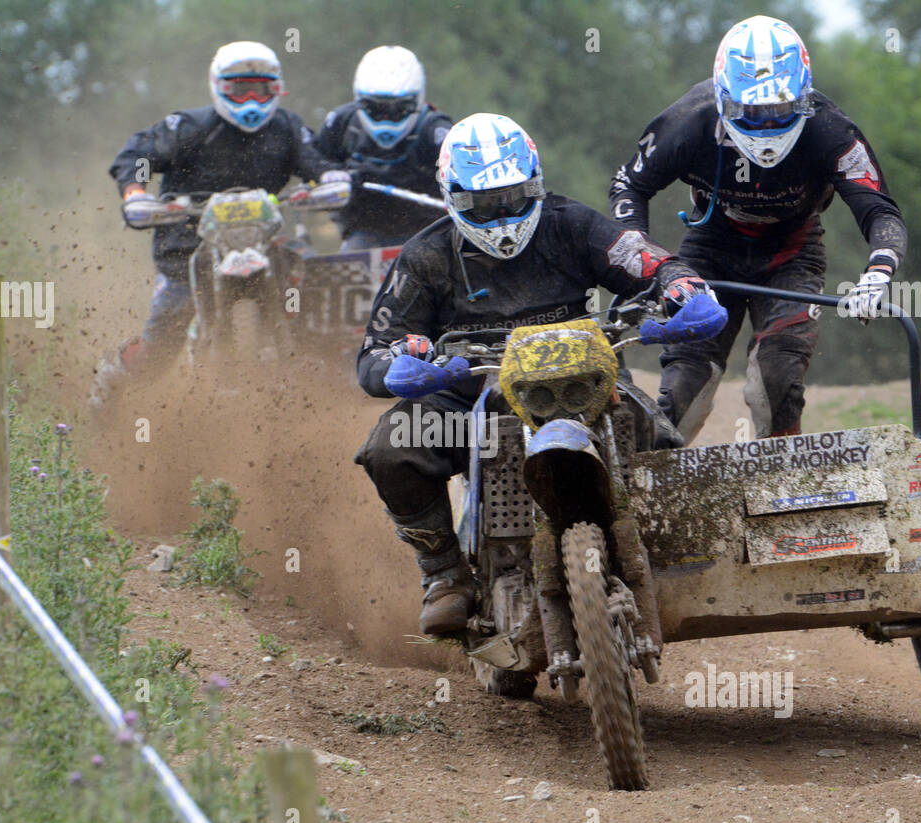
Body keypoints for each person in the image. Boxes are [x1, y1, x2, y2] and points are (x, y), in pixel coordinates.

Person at [355, 113, 719, 635]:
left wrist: (679, 284)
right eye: (483, 203)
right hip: (467, 399)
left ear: (536, 182)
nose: (501, 214)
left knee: (654, 432)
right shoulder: (425, 257)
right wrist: (401, 366)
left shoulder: (570, 224)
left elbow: (644, 260)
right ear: (451, 197)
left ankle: (661, 542)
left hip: (582, 383)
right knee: (392, 447)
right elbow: (372, 356)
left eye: (513, 196)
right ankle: (443, 573)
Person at [608, 14, 907, 442]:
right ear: (724, 97)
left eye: (781, 111)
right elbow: (628, 186)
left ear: (804, 97)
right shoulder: (689, 122)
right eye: (751, 112)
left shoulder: (830, 129)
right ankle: (644, 491)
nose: (767, 125)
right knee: (684, 392)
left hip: (792, 249)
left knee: (777, 380)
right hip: (711, 248)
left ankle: (788, 482)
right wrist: (646, 263)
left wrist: (879, 271)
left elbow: (880, 209)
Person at [93, 40, 341, 403]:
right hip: (186, 251)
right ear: (221, 88)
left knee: (312, 278)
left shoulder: (286, 128)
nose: (252, 101)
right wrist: (135, 193)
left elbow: (318, 162)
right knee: (163, 341)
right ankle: (111, 384)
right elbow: (136, 154)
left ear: (278, 90)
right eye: (241, 91)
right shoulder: (188, 127)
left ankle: (326, 375)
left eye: (262, 91)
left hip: (263, 245)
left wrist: (332, 180)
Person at [314, 46, 453, 251]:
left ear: (417, 100)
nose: (386, 119)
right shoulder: (342, 123)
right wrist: (329, 175)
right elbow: (311, 161)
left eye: (398, 110)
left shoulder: (436, 131)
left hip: (429, 235)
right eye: (376, 110)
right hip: (363, 234)